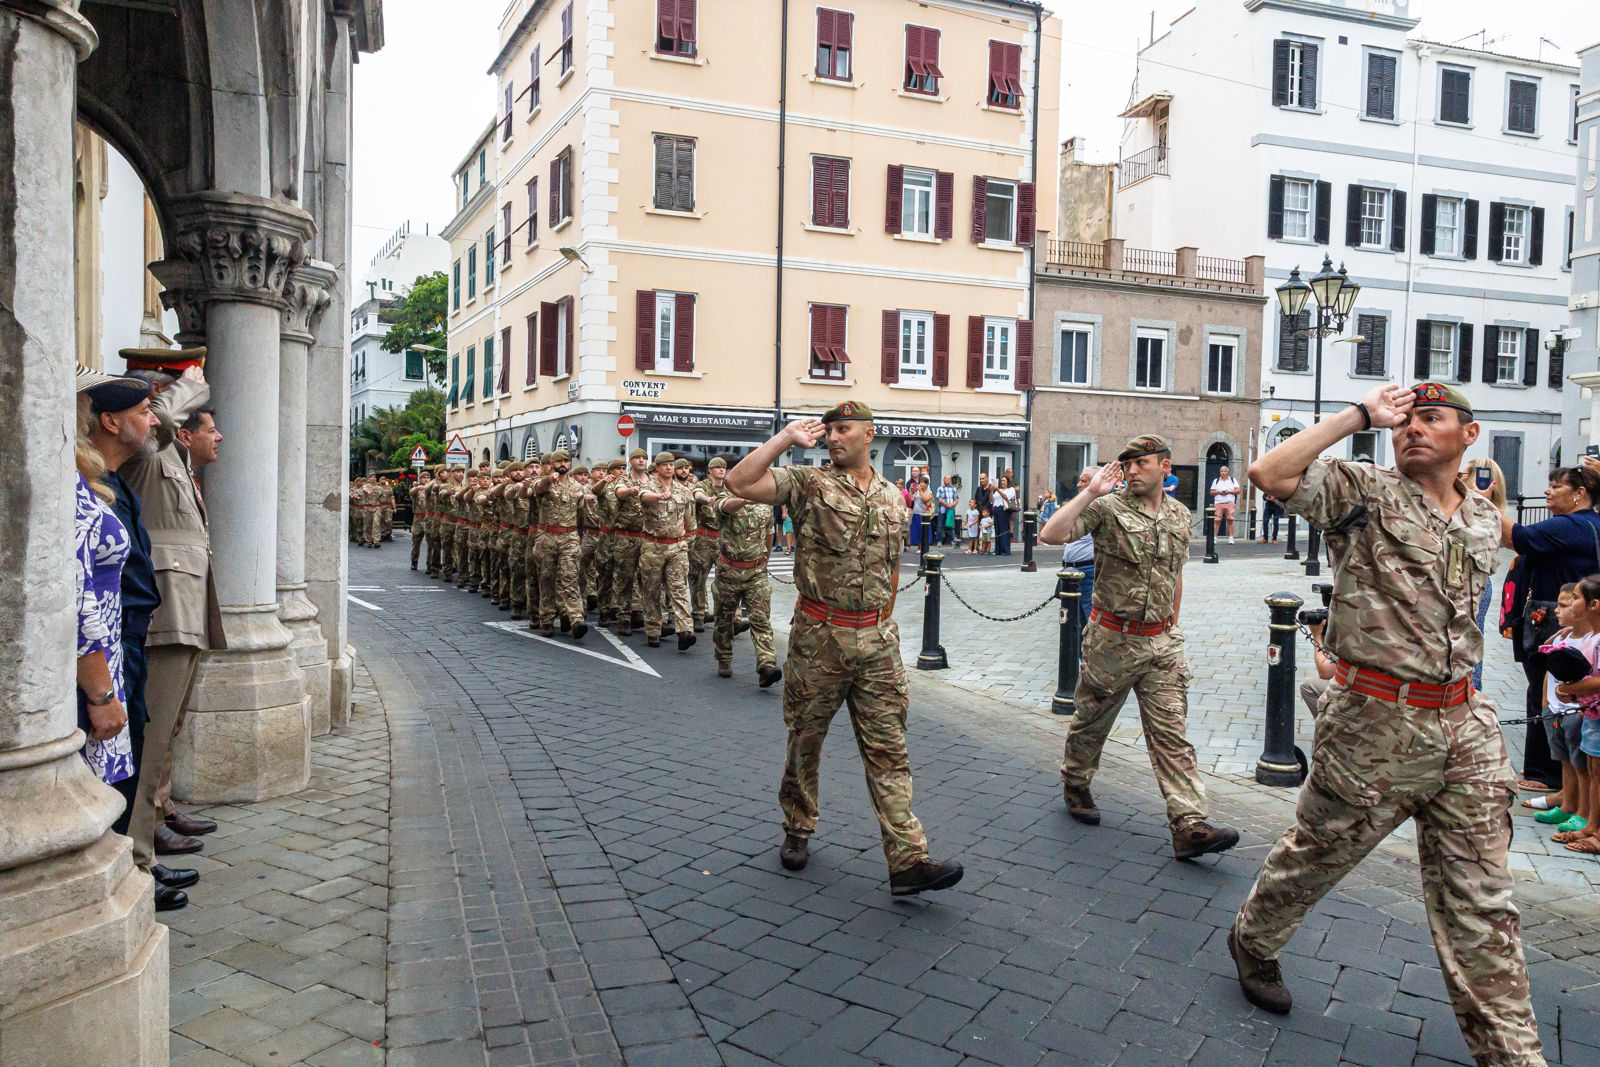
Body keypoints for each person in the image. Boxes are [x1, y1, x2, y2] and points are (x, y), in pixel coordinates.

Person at [1232, 381, 1543, 1067]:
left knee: (1483, 908)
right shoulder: (1361, 491)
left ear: (1470, 434)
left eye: (1430, 419)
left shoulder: (1484, 520)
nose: (1412, 430)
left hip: (1463, 726)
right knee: (1316, 855)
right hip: (1373, 724)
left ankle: (1514, 1057)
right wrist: (1358, 417)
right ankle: (1254, 938)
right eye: (1405, 421)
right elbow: (1269, 473)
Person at [726, 403, 963, 896]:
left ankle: (908, 859)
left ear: (869, 434)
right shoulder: (810, 484)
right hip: (821, 637)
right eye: (829, 430)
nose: (833, 437)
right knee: (805, 740)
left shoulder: (893, 497)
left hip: (877, 642)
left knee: (888, 749)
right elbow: (740, 484)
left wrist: (884, 623)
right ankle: (797, 826)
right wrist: (786, 438)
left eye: (843, 429)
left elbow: (893, 569)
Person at [1038, 436, 1239, 862]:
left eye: (1141, 463)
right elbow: (1051, 535)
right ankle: (1076, 781)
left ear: (1165, 467)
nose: (1131, 471)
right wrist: (1091, 492)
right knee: (1091, 725)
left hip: (1161, 644)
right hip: (1113, 639)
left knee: (1171, 735)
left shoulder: (1181, 516)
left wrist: (1173, 626)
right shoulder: (1107, 508)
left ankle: (1189, 824)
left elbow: (1175, 574)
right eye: (1126, 464)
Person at [115, 351, 226, 874]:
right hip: (165, 611)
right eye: (142, 408)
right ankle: (138, 859)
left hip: (181, 607)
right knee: (150, 734)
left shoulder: (168, 459)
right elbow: (159, 424)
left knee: (163, 732)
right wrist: (189, 382)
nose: (218, 435)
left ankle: (153, 826)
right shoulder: (148, 452)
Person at [1493, 464, 1600, 793]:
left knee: (1549, 692)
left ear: (1580, 494)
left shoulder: (1572, 525)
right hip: (1563, 619)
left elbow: (1519, 538)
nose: (1549, 491)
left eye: (1557, 486)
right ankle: (1554, 777)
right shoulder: (1583, 524)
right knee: (1550, 692)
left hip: (1557, 620)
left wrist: (1476, 500)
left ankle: (1546, 774)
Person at [1527, 582, 1595, 842]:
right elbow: (1549, 671)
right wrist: (1545, 701)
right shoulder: (1563, 637)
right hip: (1556, 710)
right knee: (1564, 759)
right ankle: (1567, 802)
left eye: (1567, 604)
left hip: (1577, 712)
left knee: (1584, 766)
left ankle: (1583, 811)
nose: (1557, 610)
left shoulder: (1592, 641)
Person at [712, 486, 782, 687]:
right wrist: (743, 499)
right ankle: (724, 658)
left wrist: (765, 559)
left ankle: (767, 665)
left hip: (756, 573)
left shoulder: (765, 504)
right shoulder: (727, 497)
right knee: (724, 617)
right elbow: (724, 507)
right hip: (729, 571)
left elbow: (769, 533)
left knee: (760, 619)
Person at [637, 452, 696, 649]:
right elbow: (644, 497)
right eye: (665, 465)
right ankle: (653, 629)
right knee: (652, 589)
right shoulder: (648, 485)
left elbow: (688, 519)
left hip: (677, 546)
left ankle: (685, 630)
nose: (669, 468)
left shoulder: (683, 490)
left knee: (679, 588)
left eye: (671, 464)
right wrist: (659, 496)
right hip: (653, 545)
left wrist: (686, 539)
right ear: (658, 467)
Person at [1463, 458, 1509, 691]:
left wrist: (1479, 502)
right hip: (1459, 580)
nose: (1461, 476)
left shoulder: (1489, 514)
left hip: (1474, 582)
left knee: (1470, 643)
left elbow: (1475, 545)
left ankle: (1472, 695)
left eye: (1467, 473)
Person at [1059, 469, 1097, 630]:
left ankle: (1087, 651)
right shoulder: (1079, 504)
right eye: (1079, 480)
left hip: (1087, 567)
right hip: (1070, 567)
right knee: (1071, 615)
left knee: (1086, 612)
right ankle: (1075, 652)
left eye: (1084, 481)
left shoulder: (1097, 506)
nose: (1078, 484)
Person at [1209, 466, 1241, 544]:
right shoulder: (1216, 481)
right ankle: (1214, 538)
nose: (1223, 473)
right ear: (1220, 472)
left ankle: (1231, 538)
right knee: (1217, 521)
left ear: (1228, 472)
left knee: (1230, 520)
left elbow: (1238, 490)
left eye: (1225, 471)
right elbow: (1211, 492)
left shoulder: (1233, 480)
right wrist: (1220, 492)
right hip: (1218, 503)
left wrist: (1229, 492)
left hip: (1229, 502)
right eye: (1221, 471)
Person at [993, 475, 1017, 556]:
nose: (1002, 482)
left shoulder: (1011, 489)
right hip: (996, 509)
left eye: (1004, 480)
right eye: (1001, 480)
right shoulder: (998, 490)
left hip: (1004, 510)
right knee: (997, 529)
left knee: (1004, 529)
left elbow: (1007, 498)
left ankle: (1005, 550)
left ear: (1007, 482)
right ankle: (998, 550)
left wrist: (997, 489)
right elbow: (992, 499)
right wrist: (991, 491)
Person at [936, 476, 959, 546]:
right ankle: (939, 541)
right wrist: (947, 505)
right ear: (943, 480)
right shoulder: (940, 488)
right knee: (940, 526)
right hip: (942, 509)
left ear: (950, 480)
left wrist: (951, 505)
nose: (947, 480)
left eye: (948, 479)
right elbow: (939, 499)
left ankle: (951, 540)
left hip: (951, 510)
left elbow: (957, 499)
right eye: (946, 478)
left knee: (950, 525)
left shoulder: (954, 489)